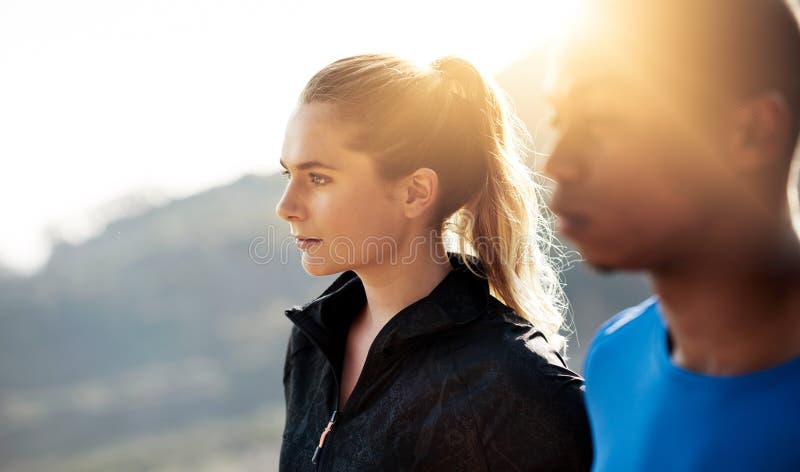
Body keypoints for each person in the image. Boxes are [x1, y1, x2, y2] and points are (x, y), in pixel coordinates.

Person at [275, 53, 592, 471]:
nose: (286, 207)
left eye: (318, 178)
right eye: (288, 176)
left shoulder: (513, 383)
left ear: (415, 192)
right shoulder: (312, 347)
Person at [545, 0, 800, 470]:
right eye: (560, 120)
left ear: (751, 133)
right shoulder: (613, 359)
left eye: (602, 119)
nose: (557, 162)